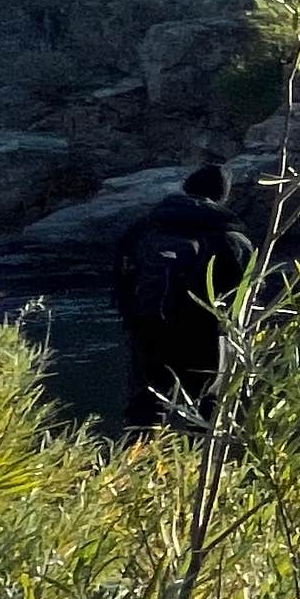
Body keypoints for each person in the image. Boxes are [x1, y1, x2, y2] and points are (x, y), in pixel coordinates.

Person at [113, 161, 252, 427]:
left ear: (186, 187)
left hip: (149, 330)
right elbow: (242, 297)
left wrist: (135, 321)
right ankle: (201, 466)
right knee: (208, 411)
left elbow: (122, 282)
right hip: (206, 336)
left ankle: (134, 464)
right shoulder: (231, 238)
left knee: (146, 409)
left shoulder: (142, 229)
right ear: (222, 196)